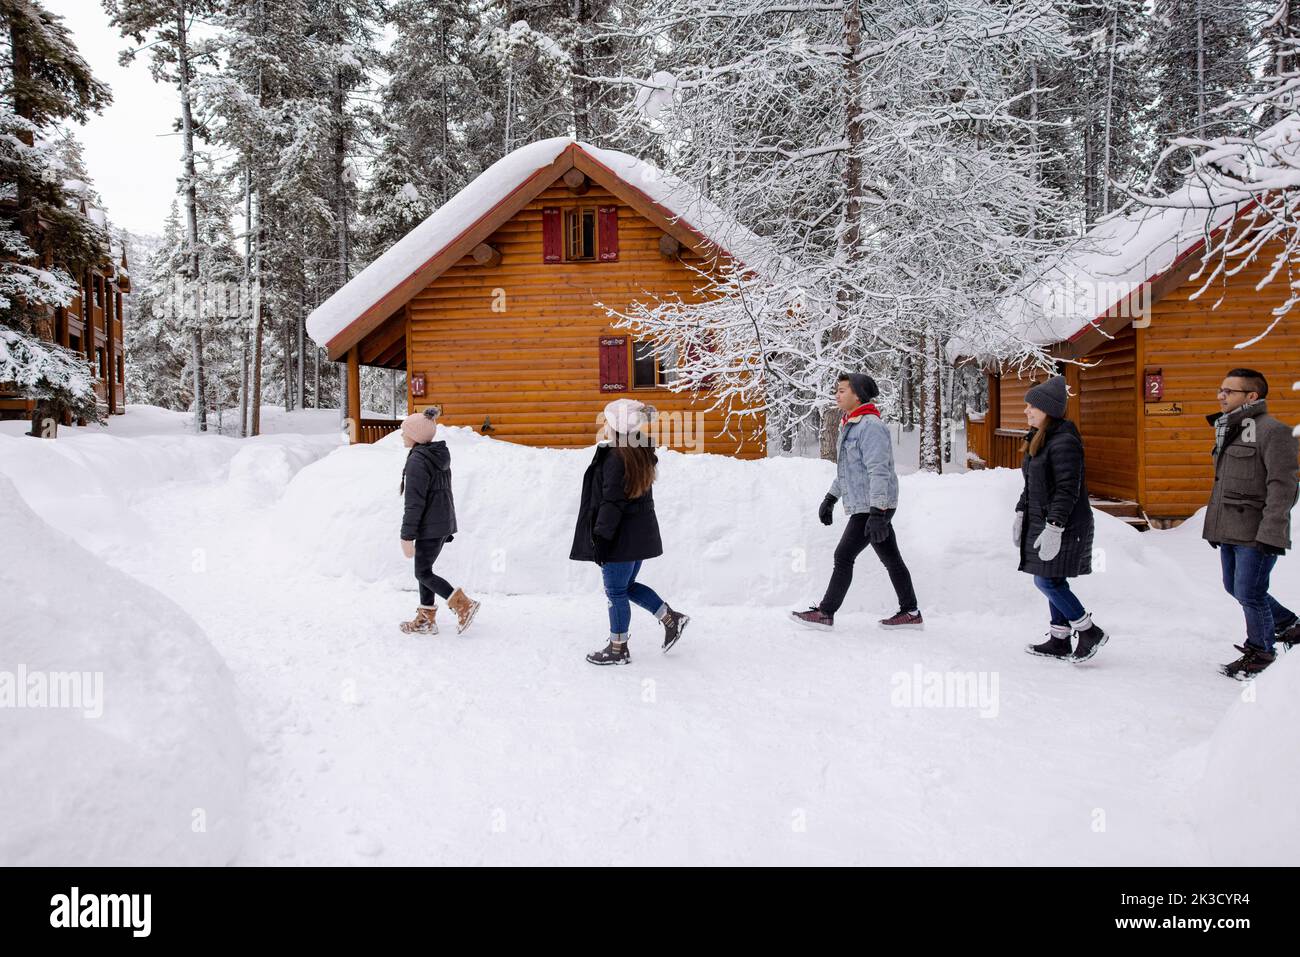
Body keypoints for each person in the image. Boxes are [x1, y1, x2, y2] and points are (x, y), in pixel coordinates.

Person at [791, 372, 922, 631]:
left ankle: (826, 613)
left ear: (858, 394)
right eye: (837, 390)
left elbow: (878, 471)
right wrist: (830, 498)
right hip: (869, 503)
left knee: (844, 555)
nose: (837, 395)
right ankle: (911, 611)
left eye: (842, 390)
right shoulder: (851, 425)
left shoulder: (870, 426)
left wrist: (877, 513)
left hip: (872, 505)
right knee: (891, 558)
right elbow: (849, 471)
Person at [569, 398, 689, 666]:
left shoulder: (616, 458)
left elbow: (611, 503)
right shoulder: (638, 452)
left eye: (608, 422)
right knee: (626, 587)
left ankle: (618, 647)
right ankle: (672, 618)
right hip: (636, 538)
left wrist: (601, 538)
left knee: (615, 592)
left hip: (620, 540)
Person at [1203, 369, 1300, 680]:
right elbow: (1224, 483)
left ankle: (1261, 653)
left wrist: (1272, 533)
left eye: (1229, 391)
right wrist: (1216, 526)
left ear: (1251, 397)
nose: (1221, 395)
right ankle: (1288, 625)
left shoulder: (1274, 432)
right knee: (1234, 587)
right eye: (1221, 389)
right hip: (1230, 527)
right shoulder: (1229, 429)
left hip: (1257, 531)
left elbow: (1283, 486)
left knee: (1250, 592)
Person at [1013, 375, 1107, 661]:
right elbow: (1032, 484)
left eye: (1033, 407)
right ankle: (1059, 639)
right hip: (1045, 520)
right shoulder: (1040, 438)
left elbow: (1068, 489)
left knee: (1047, 582)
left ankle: (1089, 630)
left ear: (1049, 411)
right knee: (1051, 579)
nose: (1027, 411)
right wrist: (1020, 511)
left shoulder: (1064, 442)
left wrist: (1054, 527)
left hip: (1065, 524)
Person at [397, 407, 480, 636]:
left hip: (429, 525)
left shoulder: (418, 462)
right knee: (424, 570)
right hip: (440, 523)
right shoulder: (434, 455)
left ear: (415, 435)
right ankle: (425, 620)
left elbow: (415, 503)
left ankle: (464, 605)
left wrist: (406, 536)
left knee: (423, 572)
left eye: (405, 431)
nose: (401, 434)